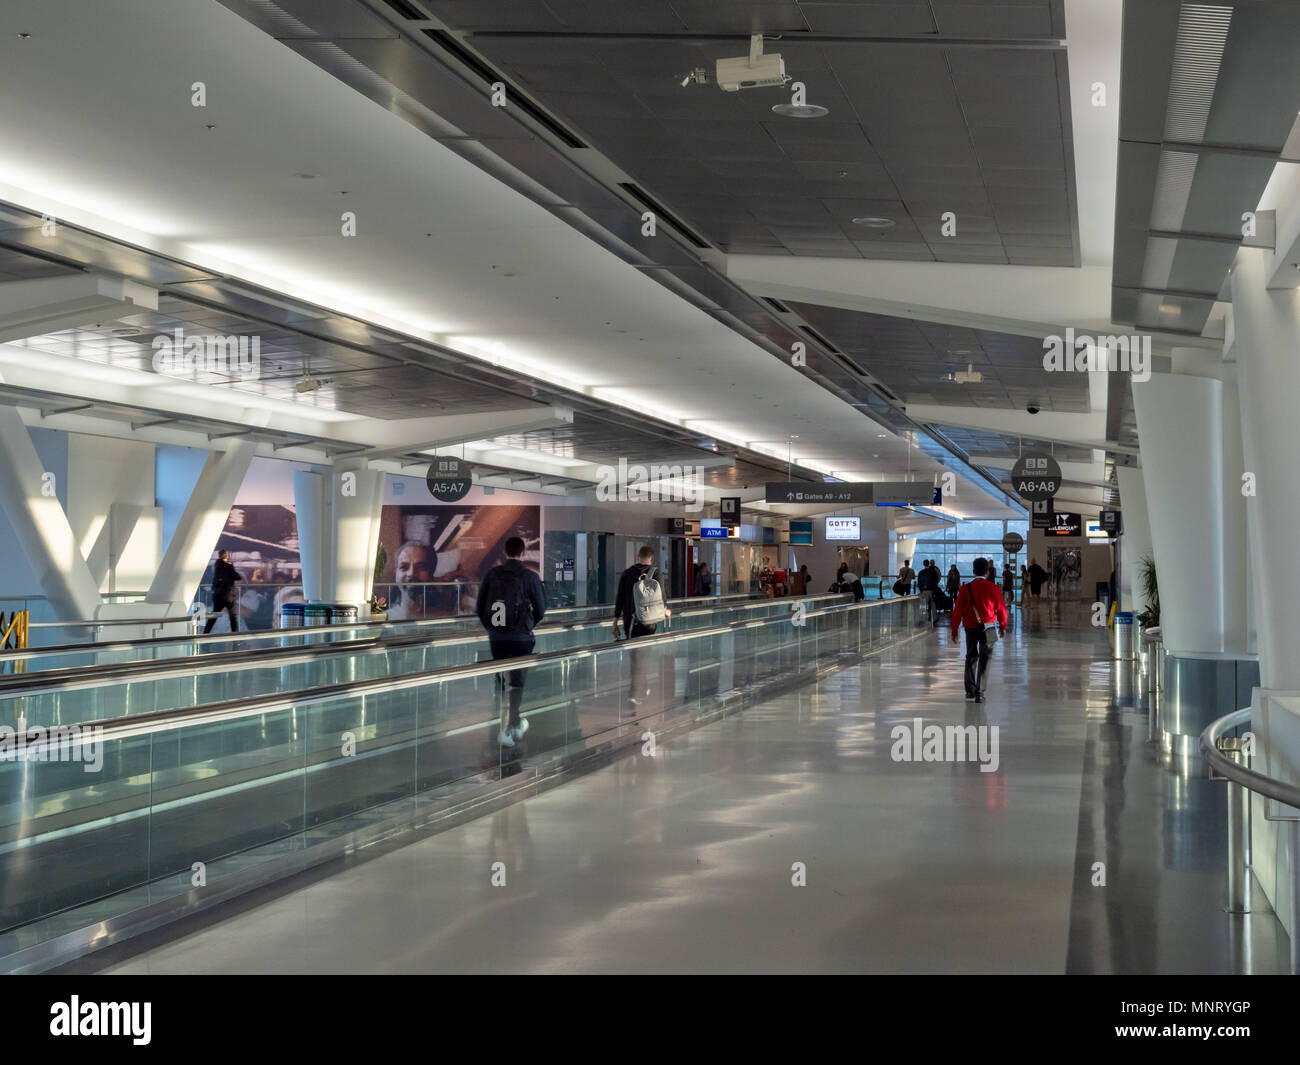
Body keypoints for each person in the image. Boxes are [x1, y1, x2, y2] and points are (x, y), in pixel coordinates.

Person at [476, 536, 547, 747]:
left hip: (497, 638)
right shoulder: (530, 577)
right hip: (520, 639)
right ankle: (508, 729)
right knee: (516, 684)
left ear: (505, 552)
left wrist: (492, 630)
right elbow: (541, 610)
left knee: (501, 683)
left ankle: (512, 725)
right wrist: (526, 627)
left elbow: (480, 608)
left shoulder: (492, 575)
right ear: (523, 553)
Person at [614, 546, 672, 708]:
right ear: (651, 559)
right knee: (642, 656)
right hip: (649, 622)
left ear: (638, 557)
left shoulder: (627, 574)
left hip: (630, 622)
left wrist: (615, 620)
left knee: (635, 657)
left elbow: (620, 598)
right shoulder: (656, 573)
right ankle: (637, 691)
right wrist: (665, 610)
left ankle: (638, 690)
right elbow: (662, 597)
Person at [950, 557, 1008, 704]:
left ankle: (969, 690)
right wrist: (1002, 626)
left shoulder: (965, 588)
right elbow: (1001, 609)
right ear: (987, 572)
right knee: (985, 658)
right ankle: (980, 693)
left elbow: (957, 611)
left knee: (970, 656)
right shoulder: (993, 588)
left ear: (974, 571)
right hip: (988, 628)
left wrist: (954, 629)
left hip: (970, 627)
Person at [389, 541, 433, 620]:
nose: (411, 573)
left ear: (431, 573)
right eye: (404, 567)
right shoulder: (384, 620)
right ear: (396, 574)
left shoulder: (445, 618)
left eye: (420, 567)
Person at [204, 549, 242, 633]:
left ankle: (205, 633)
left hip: (217, 595)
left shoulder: (216, 565)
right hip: (228, 596)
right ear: (227, 556)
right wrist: (232, 566)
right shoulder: (228, 566)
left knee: (214, 616)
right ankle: (235, 638)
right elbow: (237, 577)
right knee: (233, 617)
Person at [916, 559, 939, 623]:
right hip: (931, 590)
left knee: (925, 605)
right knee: (933, 604)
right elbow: (936, 581)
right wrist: (935, 590)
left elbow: (919, 583)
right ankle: (934, 618)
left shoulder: (921, 572)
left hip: (924, 591)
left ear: (923, 564)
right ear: (929, 563)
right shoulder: (933, 571)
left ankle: (926, 618)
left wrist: (921, 590)